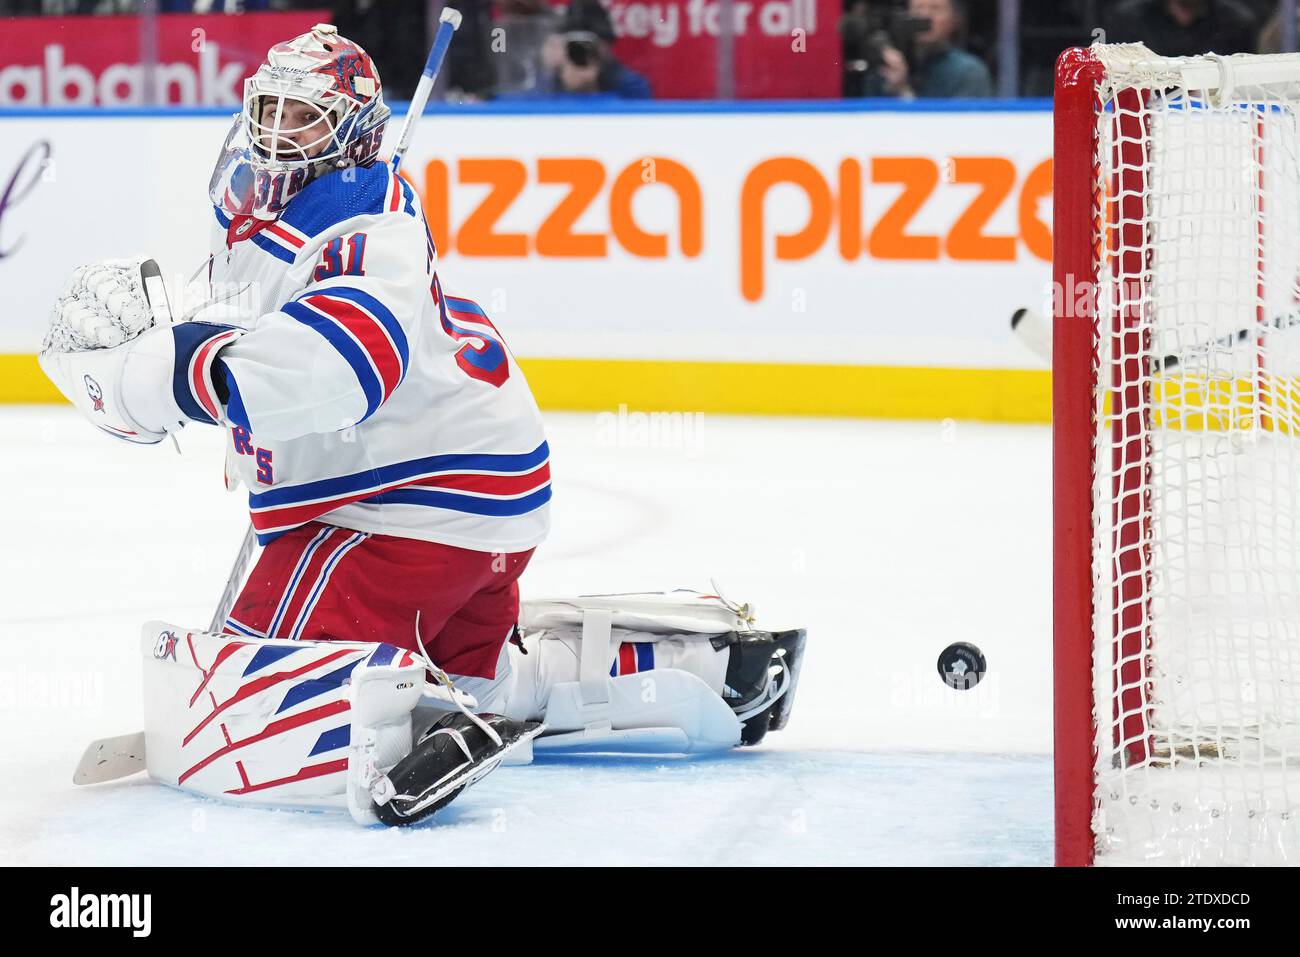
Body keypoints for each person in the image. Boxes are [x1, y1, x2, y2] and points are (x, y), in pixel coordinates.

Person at [39, 23, 804, 823]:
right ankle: (698, 669)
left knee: (248, 673)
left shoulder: (365, 230)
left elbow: (342, 365)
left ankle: (402, 724)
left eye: (302, 117)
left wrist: (177, 371)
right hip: (481, 504)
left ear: (352, 130)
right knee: (491, 683)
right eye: (268, 109)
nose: (275, 132)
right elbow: (277, 322)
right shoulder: (311, 207)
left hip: (406, 513)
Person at [866, 0, 993, 99]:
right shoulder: (886, 67)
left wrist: (902, 91)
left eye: (935, 9)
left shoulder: (968, 72)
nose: (925, 16)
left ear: (954, 20)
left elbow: (958, 129)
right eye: (918, 8)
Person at [541, 0, 651, 98]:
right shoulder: (550, 82)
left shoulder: (630, 83)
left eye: (589, 44)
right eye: (574, 45)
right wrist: (548, 70)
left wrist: (592, 89)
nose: (581, 50)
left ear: (606, 45)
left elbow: (633, 116)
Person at [1104, 0, 1258, 58]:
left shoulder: (1237, 22)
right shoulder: (1128, 19)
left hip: (1218, 118)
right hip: (1145, 114)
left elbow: (1249, 85)